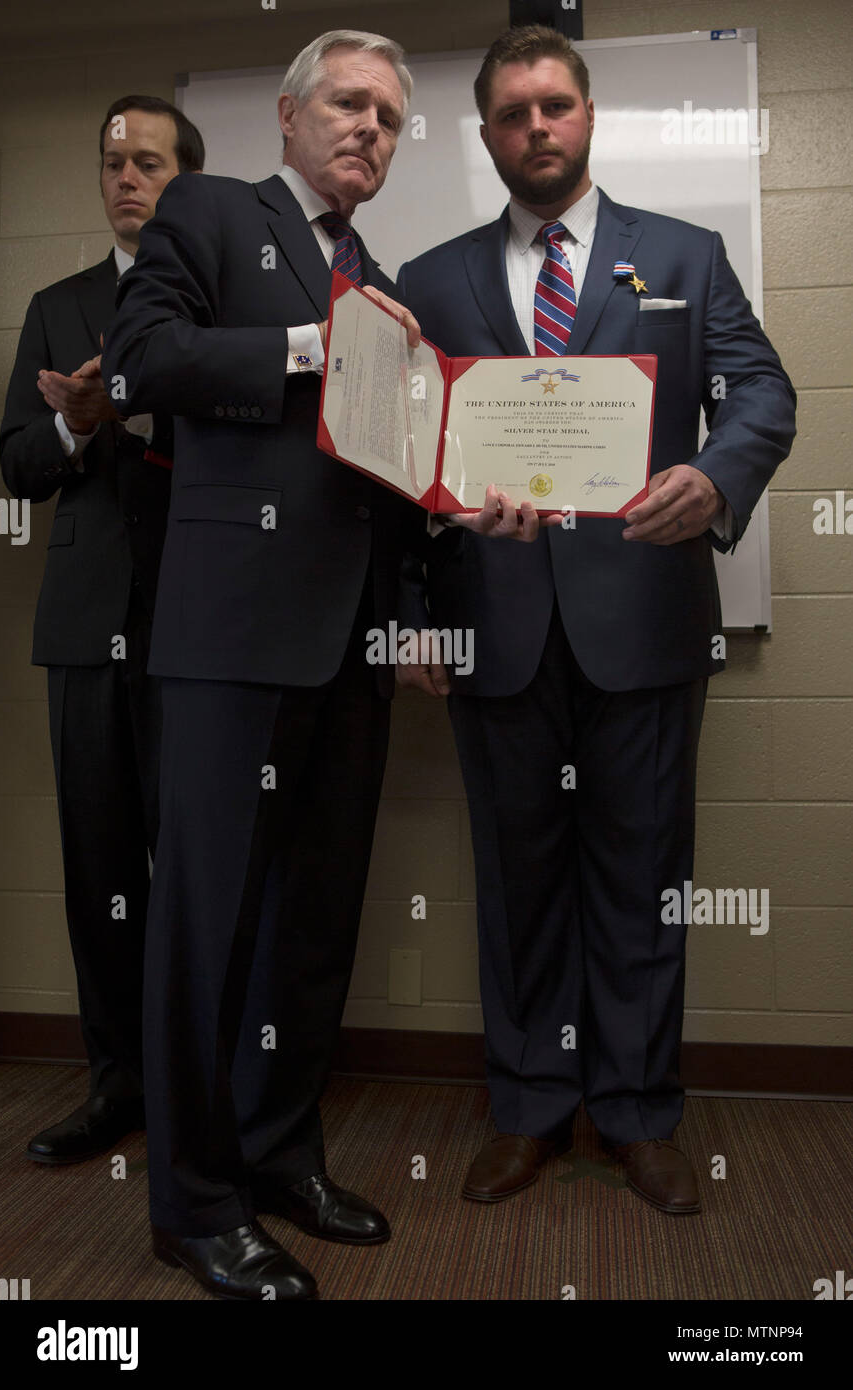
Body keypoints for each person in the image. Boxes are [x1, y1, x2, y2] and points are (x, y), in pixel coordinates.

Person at [102, 29, 548, 1303]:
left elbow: (389, 475)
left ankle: (278, 1153)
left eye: (393, 119)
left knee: (310, 921)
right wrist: (311, 346)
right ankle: (190, 1207)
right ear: (289, 115)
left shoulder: (379, 276)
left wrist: (458, 512)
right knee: (203, 927)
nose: (370, 129)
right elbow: (141, 365)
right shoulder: (207, 212)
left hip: (349, 648)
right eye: (349, 105)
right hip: (229, 641)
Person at [397, 25, 796, 1216]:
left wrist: (718, 475)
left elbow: (761, 389)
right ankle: (526, 1108)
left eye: (555, 106)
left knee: (639, 878)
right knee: (516, 883)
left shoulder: (681, 254)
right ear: (484, 134)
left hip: (644, 619)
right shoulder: (430, 279)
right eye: (512, 112)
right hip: (495, 626)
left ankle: (631, 1113)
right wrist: (416, 613)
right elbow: (401, 466)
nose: (537, 128)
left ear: (587, 115)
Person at [0, 96, 204, 1166]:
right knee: (99, 868)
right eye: (113, 162)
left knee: (198, 871)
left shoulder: (218, 302)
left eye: (150, 162)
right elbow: (17, 466)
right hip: (85, 628)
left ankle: (195, 1092)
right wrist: (76, 423)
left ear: (188, 181)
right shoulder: (56, 303)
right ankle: (113, 1085)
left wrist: (148, 407)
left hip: (197, 625)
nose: (127, 177)